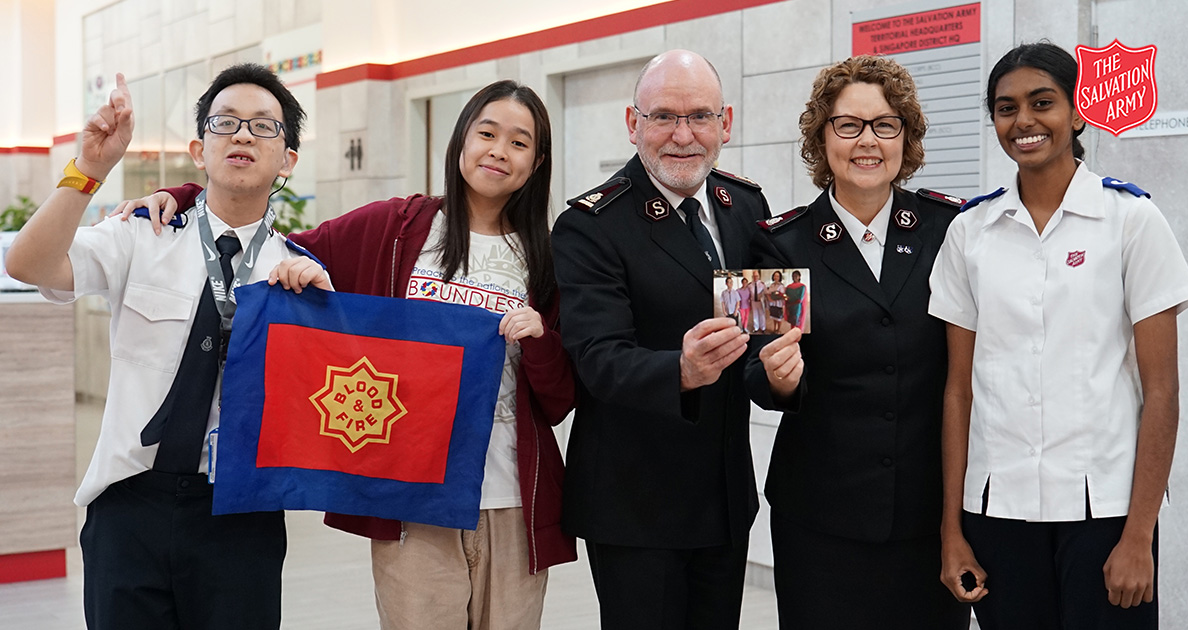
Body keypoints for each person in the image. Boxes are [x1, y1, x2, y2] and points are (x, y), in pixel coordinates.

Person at [123, 80, 577, 630]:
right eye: (486, 133)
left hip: (512, 499)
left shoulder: (549, 257)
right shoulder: (401, 227)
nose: (498, 151)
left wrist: (541, 345)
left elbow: (558, 401)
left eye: (519, 142)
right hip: (412, 499)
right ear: (461, 141)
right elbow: (272, 241)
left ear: (537, 162)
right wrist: (191, 196)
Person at [5, 64, 327, 629]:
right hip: (130, 503)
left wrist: (317, 316)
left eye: (264, 127)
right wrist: (89, 170)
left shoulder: (299, 276)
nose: (244, 135)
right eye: (226, 123)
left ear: (289, 160)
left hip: (242, 513)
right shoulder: (141, 234)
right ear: (200, 151)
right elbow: (29, 264)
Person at [929, 42, 1188, 629]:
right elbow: (958, 391)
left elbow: (1163, 392)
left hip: (1104, 514)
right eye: (1005, 108)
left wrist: (1139, 536)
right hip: (996, 512)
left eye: (1042, 102)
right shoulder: (969, 233)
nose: (1023, 121)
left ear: (1077, 112)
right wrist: (952, 529)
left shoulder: (1131, 221)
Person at [744, 55, 970, 629]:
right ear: (823, 136)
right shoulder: (778, 244)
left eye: (885, 125)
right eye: (848, 125)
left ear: (906, 137)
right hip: (818, 517)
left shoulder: (951, 230)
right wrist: (777, 377)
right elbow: (751, 370)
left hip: (930, 515)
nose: (867, 141)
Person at [551, 49, 770, 628]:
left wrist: (779, 371)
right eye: (663, 117)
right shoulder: (590, 225)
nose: (683, 135)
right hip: (635, 504)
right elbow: (597, 359)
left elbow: (762, 336)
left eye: (700, 116)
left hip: (723, 496)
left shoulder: (745, 206)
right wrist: (681, 370)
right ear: (633, 124)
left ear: (726, 122)